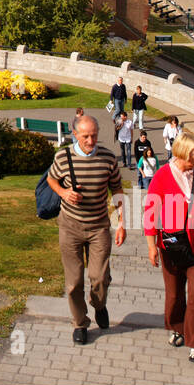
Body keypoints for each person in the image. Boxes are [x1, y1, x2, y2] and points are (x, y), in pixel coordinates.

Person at [143, 131, 194, 367]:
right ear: (181, 153)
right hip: (172, 246)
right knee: (174, 294)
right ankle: (178, 327)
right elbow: (150, 214)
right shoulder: (161, 177)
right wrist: (151, 246)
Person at [44, 113, 125, 345]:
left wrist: (122, 224)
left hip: (99, 226)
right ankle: (80, 323)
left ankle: (99, 305)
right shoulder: (63, 156)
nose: (91, 141)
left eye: (94, 136)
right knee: (74, 283)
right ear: (76, 135)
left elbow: (117, 190)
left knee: (99, 277)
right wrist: (63, 193)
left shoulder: (108, 158)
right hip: (70, 226)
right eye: (86, 136)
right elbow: (51, 179)